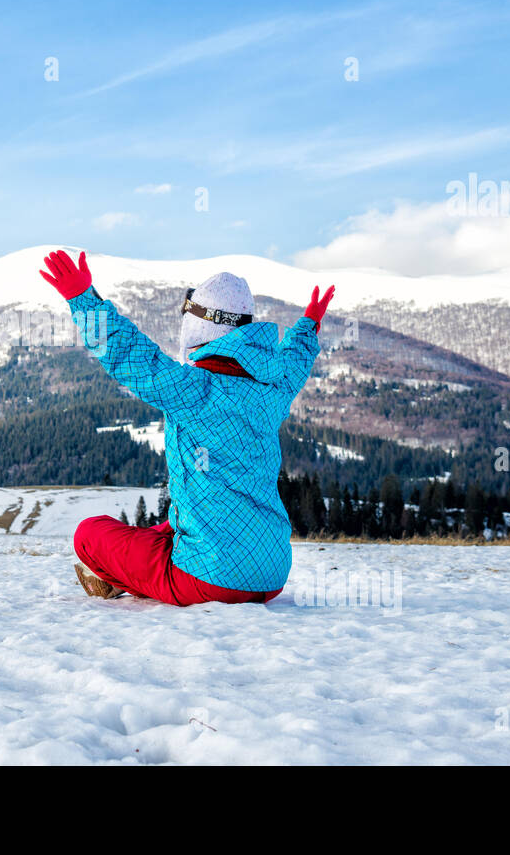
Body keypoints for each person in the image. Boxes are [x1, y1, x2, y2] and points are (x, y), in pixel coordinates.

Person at [38, 249, 334, 606]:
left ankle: (114, 577)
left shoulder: (194, 388)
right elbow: (295, 360)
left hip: (210, 580)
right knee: (169, 525)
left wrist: (83, 299)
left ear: (200, 325)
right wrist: (309, 325)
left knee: (89, 535)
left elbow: (129, 356)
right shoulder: (272, 387)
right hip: (272, 574)